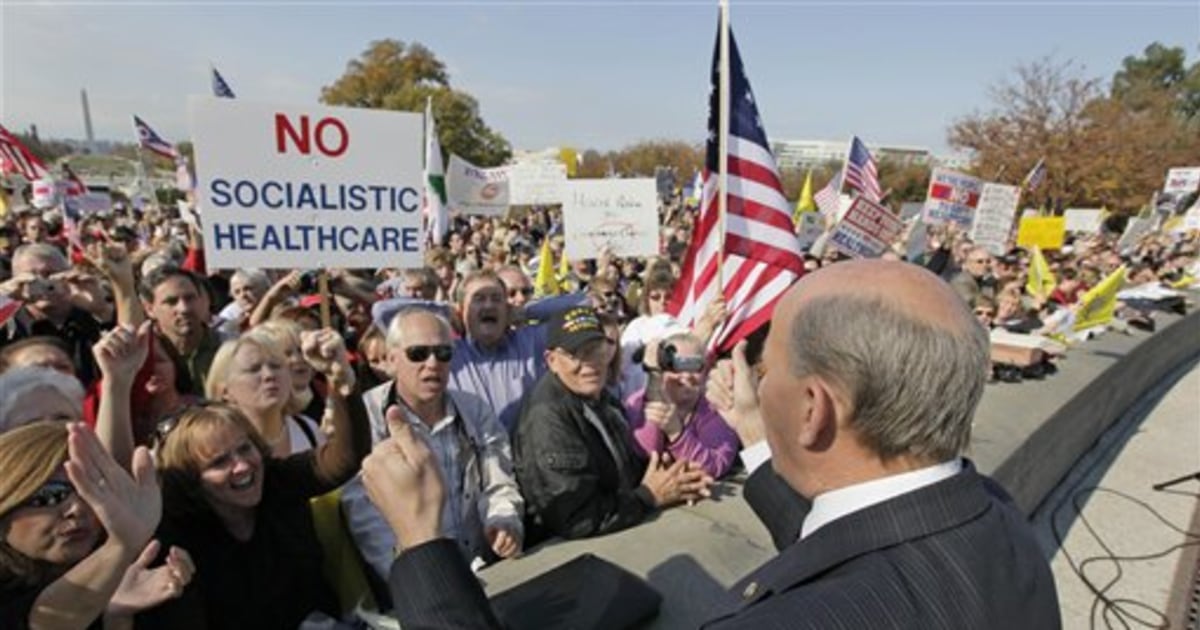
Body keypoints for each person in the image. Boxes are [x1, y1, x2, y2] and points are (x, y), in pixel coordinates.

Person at [365, 260, 1060, 630]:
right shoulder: (995, 518)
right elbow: (864, 541)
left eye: (768, 368)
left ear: (814, 409)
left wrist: (423, 549)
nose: (755, 380)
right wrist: (758, 441)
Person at [133, 329, 371, 629]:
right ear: (191, 480)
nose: (242, 466)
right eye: (219, 462)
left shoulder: (277, 481)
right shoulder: (177, 540)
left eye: (245, 448)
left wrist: (342, 379)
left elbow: (345, 458)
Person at [343, 307, 522, 581]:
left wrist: (502, 520)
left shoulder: (475, 410)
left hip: (483, 568)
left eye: (443, 353)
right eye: (417, 354)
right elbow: (366, 517)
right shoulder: (366, 418)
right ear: (391, 359)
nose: (432, 363)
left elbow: (499, 481)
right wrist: (414, 580)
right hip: (417, 579)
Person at [513, 306, 711, 544]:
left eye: (597, 351)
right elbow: (577, 518)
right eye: (577, 354)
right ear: (552, 361)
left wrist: (674, 478)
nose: (591, 364)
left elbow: (625, 468)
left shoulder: (600, 397)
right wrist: (648, 496)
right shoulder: (547, 418)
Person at [0, 421, 194, 629]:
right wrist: (121, 547)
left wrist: (117, 617)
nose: (76, 508)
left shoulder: (143, 563)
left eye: (89, 489)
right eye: (51, 495)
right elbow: (46, 620)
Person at [624, 332, 740, 479]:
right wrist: (655, 393)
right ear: (661, 369)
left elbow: (716, 465)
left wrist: (676, 432)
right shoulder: (636, 402)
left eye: (694, 365)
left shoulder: (716, 408)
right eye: (676, 366)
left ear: (705, 370)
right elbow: (643, 454)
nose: (686, 375)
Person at [0, 244, 104, 385]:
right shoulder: (8, 327)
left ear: (68, 275)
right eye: (31, 277)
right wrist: (3, 299)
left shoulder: (91, 318)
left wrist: (102, 310)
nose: (43, 283)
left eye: (49, 274)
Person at [139, 266, 221, 397]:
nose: (184, 308)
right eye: (171, 302)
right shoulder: (142, 356)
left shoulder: (228, 348)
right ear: (149, 309)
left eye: (190, 298)